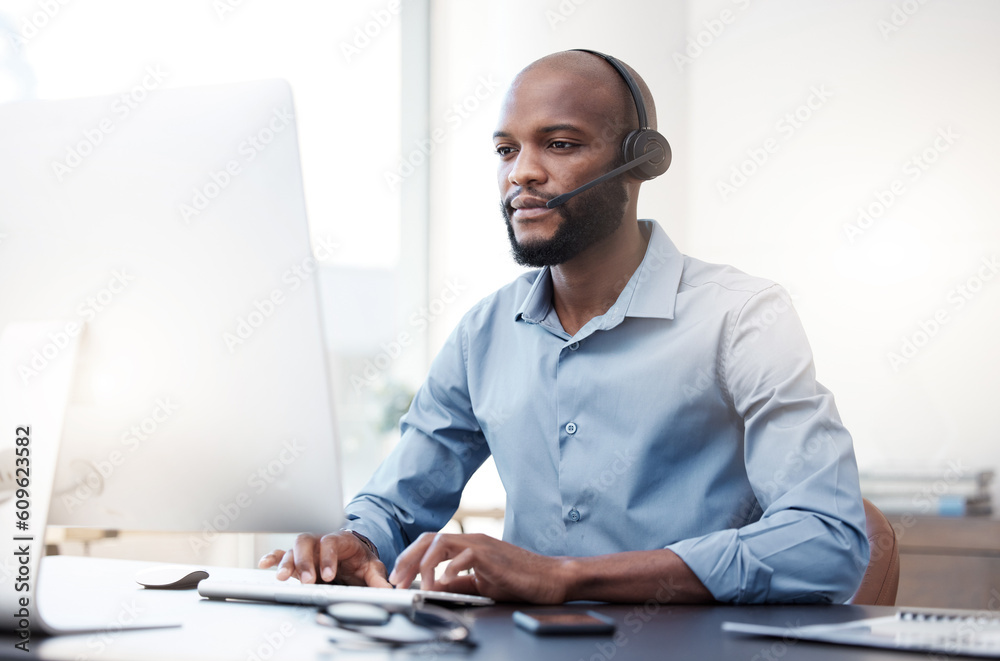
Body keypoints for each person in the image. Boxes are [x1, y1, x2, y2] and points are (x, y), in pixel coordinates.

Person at [258, 50, 870, 604]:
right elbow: (395, 502)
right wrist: (357, 543)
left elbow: (827, 541)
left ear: (639, 163)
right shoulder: (485, 333)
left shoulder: (741, 317)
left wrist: (566, 577)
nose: (520, 173)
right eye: (506, 150)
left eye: (560, 144)